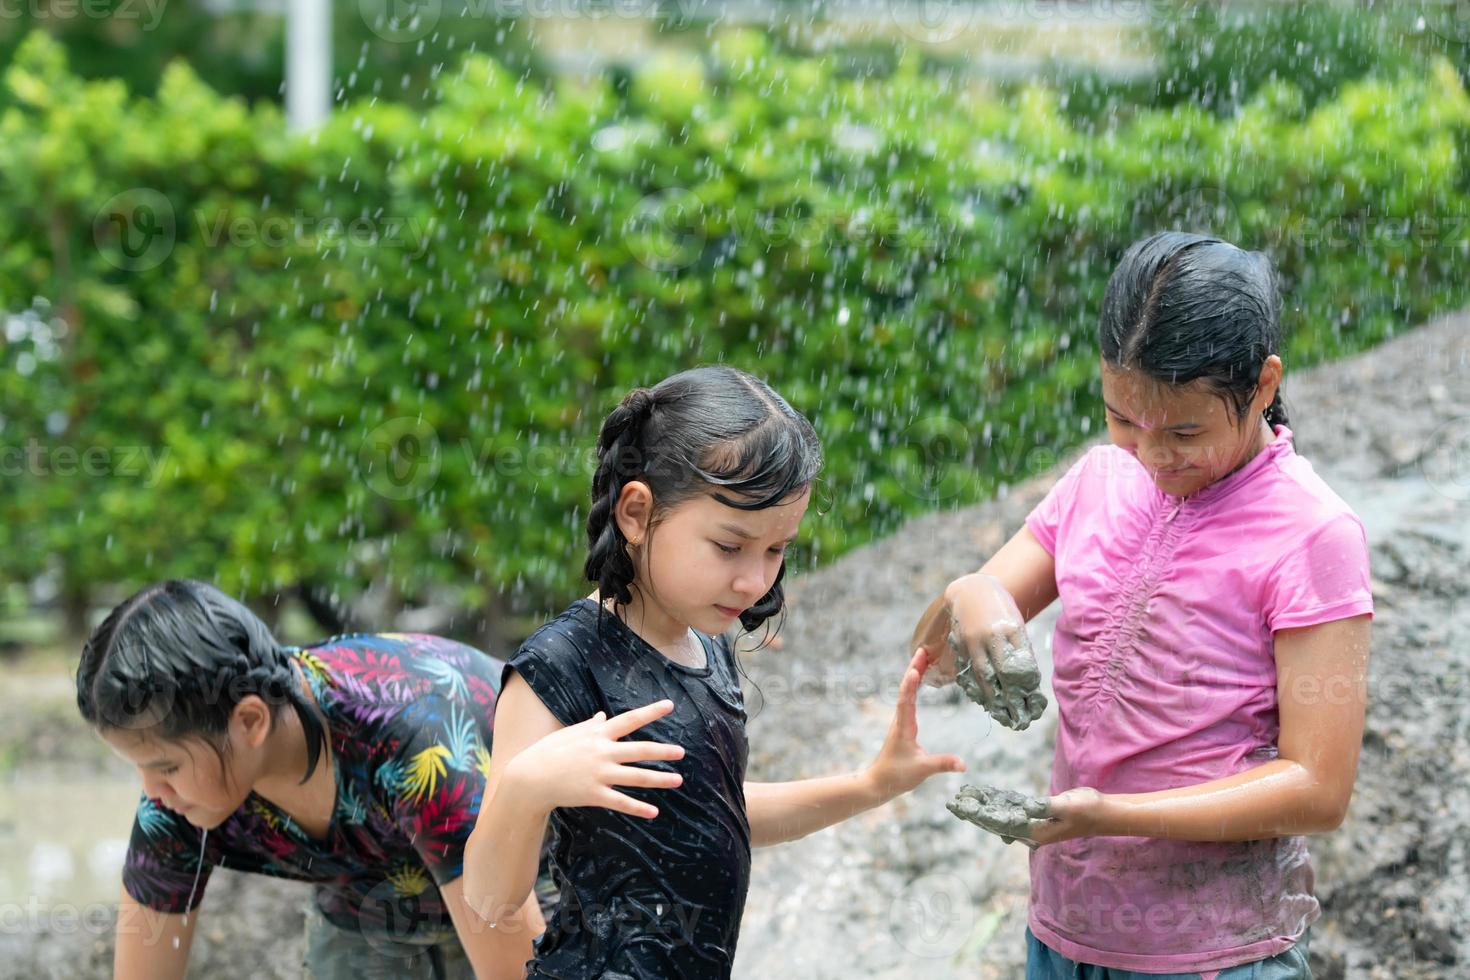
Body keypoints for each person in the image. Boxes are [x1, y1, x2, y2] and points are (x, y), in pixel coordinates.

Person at [913, 231, 1373, 978]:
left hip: (1218, 955)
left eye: (1185, 429)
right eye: (1123, 419)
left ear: (1262, 385)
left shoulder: (1314, 535)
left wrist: (1108, 816)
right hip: (1062, 935)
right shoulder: (1098, 482)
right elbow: (931, 662)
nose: (1153, 455)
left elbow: (1319, 791)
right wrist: (971, 592)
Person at [463, 365, 966, 978]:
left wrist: (871, 785)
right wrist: (526, 785)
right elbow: (489, 900)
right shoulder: (561, 665)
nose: (756, 581)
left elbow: (709, 817)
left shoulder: (709, 647)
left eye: (777, 550)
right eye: (730, 547)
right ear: (636, 513)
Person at [75, 579, 547, 979]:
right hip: (373, 882)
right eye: (139, 769)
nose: (152, 793)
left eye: (166, 767)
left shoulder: (414, 748)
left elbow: (517, 969)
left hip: (540, 859)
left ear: (250, 722)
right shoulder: (178, 800)